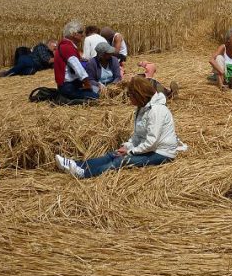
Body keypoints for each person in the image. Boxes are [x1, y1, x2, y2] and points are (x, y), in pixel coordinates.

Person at [55, 76, 186, 178]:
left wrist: (130, 151)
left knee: (119, 161)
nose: (128, 98)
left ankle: (84, 174)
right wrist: (128, 146)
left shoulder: (156, 111)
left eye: (129, 95)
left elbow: (152, 142)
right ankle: (77, 165)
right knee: (113, 155)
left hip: (162, 152)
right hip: (151, 148)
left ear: (138, 94)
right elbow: (138, 135)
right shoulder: (142, 109)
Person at [54, 20, 99, 101]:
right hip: (68, 86)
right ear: (73, 34)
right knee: (96, 96)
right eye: (81, 32)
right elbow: (79, 70)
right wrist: (88, 85)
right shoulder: (67, 48)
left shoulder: (65, 45)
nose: (83, 35)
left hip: (68, 85)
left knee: (96, 90)